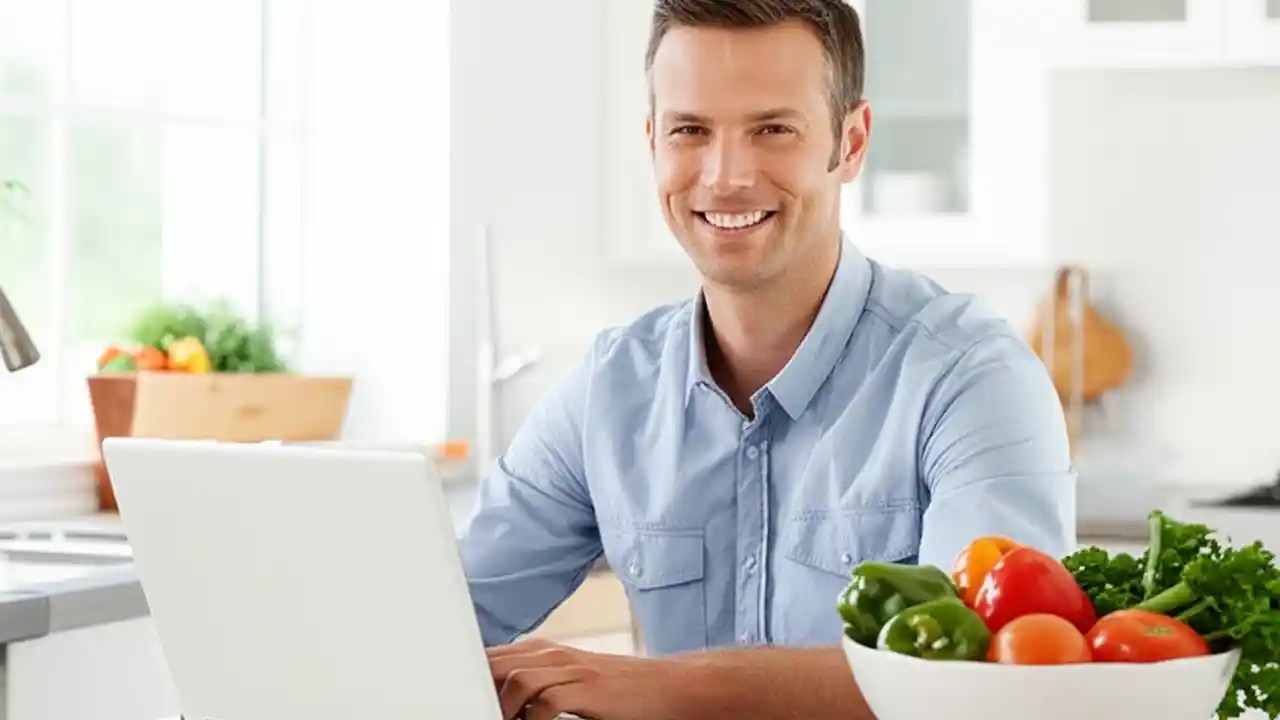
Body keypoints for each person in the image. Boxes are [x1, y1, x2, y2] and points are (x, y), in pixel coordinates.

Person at [459, 1, 1075, 717]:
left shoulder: (971, 379)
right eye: (691, 130)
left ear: (850, 143)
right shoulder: (607, 392)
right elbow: (439, 618)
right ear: (654, 140)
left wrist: (650, 687)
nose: (724, 177)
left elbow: (984, 683)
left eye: (773, 130)